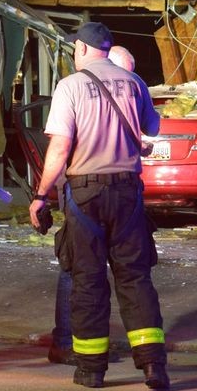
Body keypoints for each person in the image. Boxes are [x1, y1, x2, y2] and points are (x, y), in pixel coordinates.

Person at [29, 22, 169, 390]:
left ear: (81, 49)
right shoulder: (134, 83)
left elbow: (59, 149)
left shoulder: (70, 86)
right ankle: (154, 365)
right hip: (128, 194)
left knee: (88, 281)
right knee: (135, 278)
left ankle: (91, 370)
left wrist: (41, 195)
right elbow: (150, 130)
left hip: (86, 196)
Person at [47, 44, 137, 367]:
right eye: (124, 71)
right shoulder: (90, 86)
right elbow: (61, 147)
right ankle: (67, 341)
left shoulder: (76, 88)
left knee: (85, 270)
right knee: (79, 269)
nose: (124, 78)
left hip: (87, 191)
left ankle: (85, 350)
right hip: (89, 190)